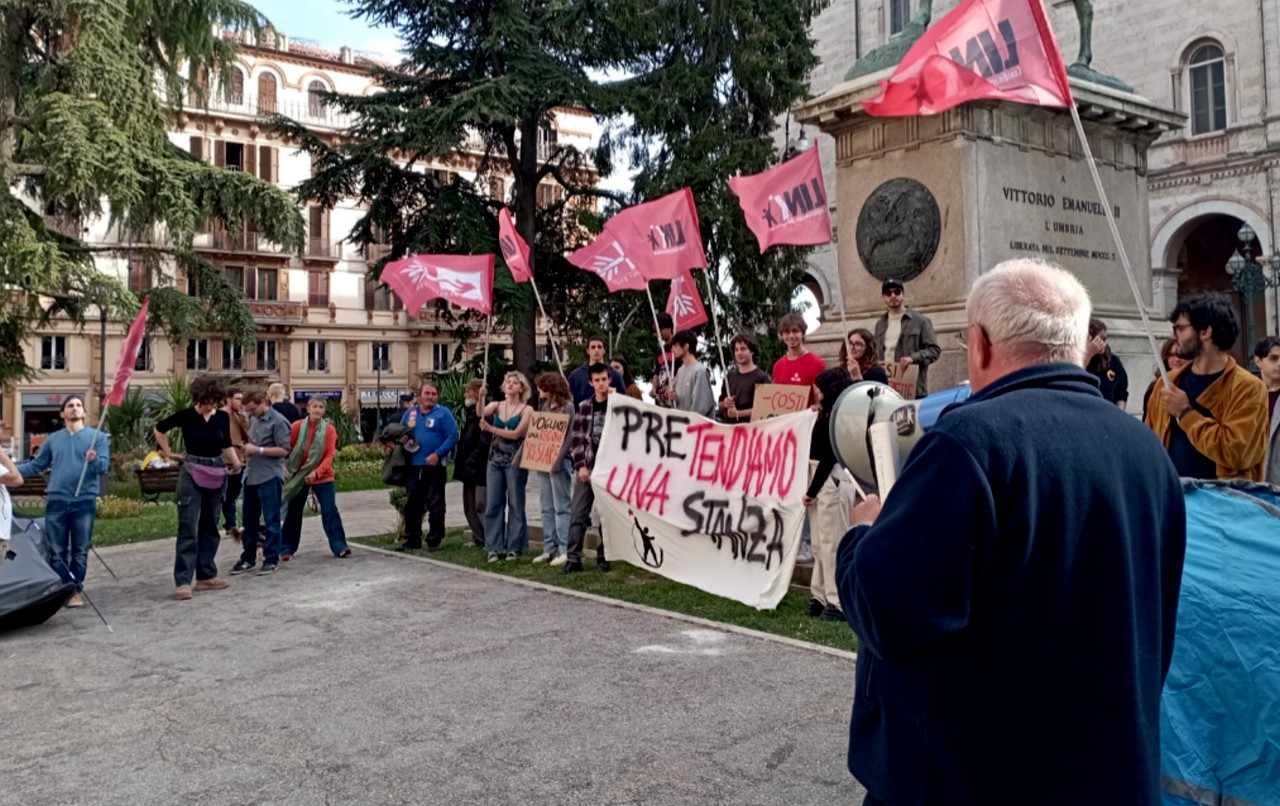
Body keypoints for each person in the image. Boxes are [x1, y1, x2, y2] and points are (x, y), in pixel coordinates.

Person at [837, 258, 1186, 806]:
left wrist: (862, 534)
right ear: (1076, 344)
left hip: (973, 778)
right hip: (1106, 772)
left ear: (978, 345)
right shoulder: (1147, 451)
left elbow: (887, 612)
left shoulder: (969, 442)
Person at [1143, 293, 1269, 480]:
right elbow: (1149, 446)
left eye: (1179, 328)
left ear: (1205, 332)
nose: (1172, 335)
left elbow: (1236, 454)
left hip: (1224, 502)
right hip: (1173, 498)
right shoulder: (1167, 383)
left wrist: (1186, 413)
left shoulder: (1249, 389)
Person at [15, 396, 110, 608]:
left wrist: (93, 460)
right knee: (57, 551)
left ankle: (75, 590)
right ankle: (60, 590)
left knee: (80, 550)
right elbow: (36, 465)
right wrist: (8, 471)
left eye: (78, 406)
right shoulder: (54, 440)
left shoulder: (98, 438)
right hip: (57, 500)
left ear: (84, 412)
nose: (74, 409)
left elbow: (104, 468)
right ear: (62, 413)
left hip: (84, 501)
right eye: (70, 406)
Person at [155, 375, 243, 601]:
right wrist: (168, 453)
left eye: (213, 401)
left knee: (210, 525)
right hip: (192, 470)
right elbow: (159, 429)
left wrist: (236, 463)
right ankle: (183, 581)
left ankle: (206, 576)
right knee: (188, 527)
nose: (209, 406)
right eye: (206, 402)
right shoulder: (186, 416)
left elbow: (225, 444)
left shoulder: (222, 417)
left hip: (216, 469)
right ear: (198, 398)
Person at [802, 368, 853, 622]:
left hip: (830, 477)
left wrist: (812, 490)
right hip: (818, 476)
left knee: (833, 541)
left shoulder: (839, 415)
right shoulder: (823, 414)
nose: (816, 390)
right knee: (820, 543)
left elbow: (829, 455)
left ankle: (838, 600)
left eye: (820, 387)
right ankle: (820, 594)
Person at [281, 396, 351, 560]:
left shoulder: (329, 430)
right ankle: (286, 548)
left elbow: (329, 455)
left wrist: (316, 473)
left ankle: (340, 546)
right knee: (294, 511)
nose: (318, 410)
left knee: (329, 510)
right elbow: (287, 448)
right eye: (315, 406)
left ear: (324, 410)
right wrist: (283, 465)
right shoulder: (297, 426)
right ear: (308, 408)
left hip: (323, 476)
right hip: (298, 476)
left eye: (321, 407)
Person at [231, 389, 292, 576]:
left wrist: (258, 450)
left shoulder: (279, 422)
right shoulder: (252, 419)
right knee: (249, 520)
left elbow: (284, 450)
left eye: (253, 409)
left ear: (263, 402)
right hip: (251, 475)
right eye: (248, 411)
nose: (251, 413)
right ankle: (248, 558)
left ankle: (271, 558)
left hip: (269, 476)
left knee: (272, 519)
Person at [564, 363, 614, 574]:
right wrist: (581, 466)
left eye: (604, 379)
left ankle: (605, 556)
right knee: (578, 514)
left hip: (609, 471)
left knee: (606, 518)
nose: (601, 384)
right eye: (597, 380)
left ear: (609, 380)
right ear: (591, 382)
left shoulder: (617, 405)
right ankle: (573, 558)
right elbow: (577, 440)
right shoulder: (584, 406)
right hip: (588, 468)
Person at [398, 380, 459, 551]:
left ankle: (434, 540)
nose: (430, 397)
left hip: (435, 466)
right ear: (419, 396)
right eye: (427, 394)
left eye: (433, 394)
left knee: (436, 504)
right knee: (412, 504)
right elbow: (401, 431)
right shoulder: (410, 413)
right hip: (413, 465)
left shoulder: (443, 414)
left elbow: (452, 436)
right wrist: (400, 439)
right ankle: (412, 540)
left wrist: (438, 454)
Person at [480, 372, 534, 562]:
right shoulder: (496, 406)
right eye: (508, 382)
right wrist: (481, 397)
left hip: (515, 461)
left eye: (515, 383)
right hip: (494, 460)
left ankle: (515, 546)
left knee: (516, 504)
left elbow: (517, 434)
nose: (511, 385)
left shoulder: (527, 410)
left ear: (522, 388)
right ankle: (493, 546)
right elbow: (480, 414)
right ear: (503, 387)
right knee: (494, 503)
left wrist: (491, 429)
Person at [873, 277, 941, 398]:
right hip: (886, 389)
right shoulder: (880, 324)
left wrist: (913, 358)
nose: (893, 296)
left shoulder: (921, 321)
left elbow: (934, 350)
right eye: (888, 293)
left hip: (912, 389)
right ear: (883, 297)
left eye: (897, 292)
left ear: (903, 294)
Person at [533, 372, 574, 565]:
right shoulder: (544, 407)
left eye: (541, 387)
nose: (538, 391)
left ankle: (564, 548)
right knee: (546, 506)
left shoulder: (568, 407)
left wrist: (557, 460)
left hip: (559, 462)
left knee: (561, 506)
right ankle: (549, 547)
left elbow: (570, 436)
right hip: (543, 461)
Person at [452, 378, 491, 548]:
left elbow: (484, 441)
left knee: (479, 504)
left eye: (468, 391)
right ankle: (478, 535)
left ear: (476, 392)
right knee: (468, 504)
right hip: (468, 466)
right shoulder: (469, 414)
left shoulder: (485, 412)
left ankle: (485, 536)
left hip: (478, 466)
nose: (465, 394)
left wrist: (472, 459)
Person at [771, 312, 826, 400]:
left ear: (803, 333)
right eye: (787, 332)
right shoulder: (778, 366)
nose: (791, 336)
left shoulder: (816, 364)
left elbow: (822, 397)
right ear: (782, 335)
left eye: (795, 331)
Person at [718, 333, 770, 423]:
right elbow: (720, 404)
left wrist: (738, 413)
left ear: (752, 351)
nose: (739, 353)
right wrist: (725, 404)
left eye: (743, 349)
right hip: (730, 430)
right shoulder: (730, 376)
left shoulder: (762, 378)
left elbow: (765, 409)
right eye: (736, 350)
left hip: (752, 430)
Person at [666, 329, 715, 417]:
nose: (672, 349)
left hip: (694, 428)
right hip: (681, 425)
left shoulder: (699, 371)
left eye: (675, 345)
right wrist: (671, 397)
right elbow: (674, 401)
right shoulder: (680, 371)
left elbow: (700, 408)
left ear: (686, 347)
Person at [220, 387, 248, 540]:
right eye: (237, 399)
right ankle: (229, 524)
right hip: (226, 460)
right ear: (228, 400)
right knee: (223, 494)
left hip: (240, 459)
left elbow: (247, 436)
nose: (240, 402)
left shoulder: (239, 416)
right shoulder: (221, 415)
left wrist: (244, 419)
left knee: (232, 495)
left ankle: (230, 524)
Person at [1085, 318, 1130, 409]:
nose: (1104, 344)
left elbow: (1121, 394)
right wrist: (1089, 353)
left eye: (1105, 339)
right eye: (1100, 340)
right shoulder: (1078, 359)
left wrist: (1118, 414)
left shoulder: (1113, 361)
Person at [567, 336, 626, 405]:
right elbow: (568, 401)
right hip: (582, 414)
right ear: (587, 351)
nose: (596, 350)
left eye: (599, 347)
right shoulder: (575, 376)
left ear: (604, 350)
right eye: (593, 347)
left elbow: (622, 400)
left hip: (608, 414)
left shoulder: (615, 375)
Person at [1254, 335, 1280, 485]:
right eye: (1273, 358)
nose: (1279, 364)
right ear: (1258, 361)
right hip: (1254, 475)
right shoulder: (1247, 394)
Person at [1142, 337, 1190, 416]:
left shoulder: (1194, 386)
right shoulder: (1154, 387)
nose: (1177, 359)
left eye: (1181, 355)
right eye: (1172, 355)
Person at [653, 312, 676, 408]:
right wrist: (654, 388)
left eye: (661, 329)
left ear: (669, 328)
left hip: (673, 396)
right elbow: (656, 373)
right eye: (656, 331)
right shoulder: (660, 350)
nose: (659, 333)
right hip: (661, 399)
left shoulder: (677, 347)